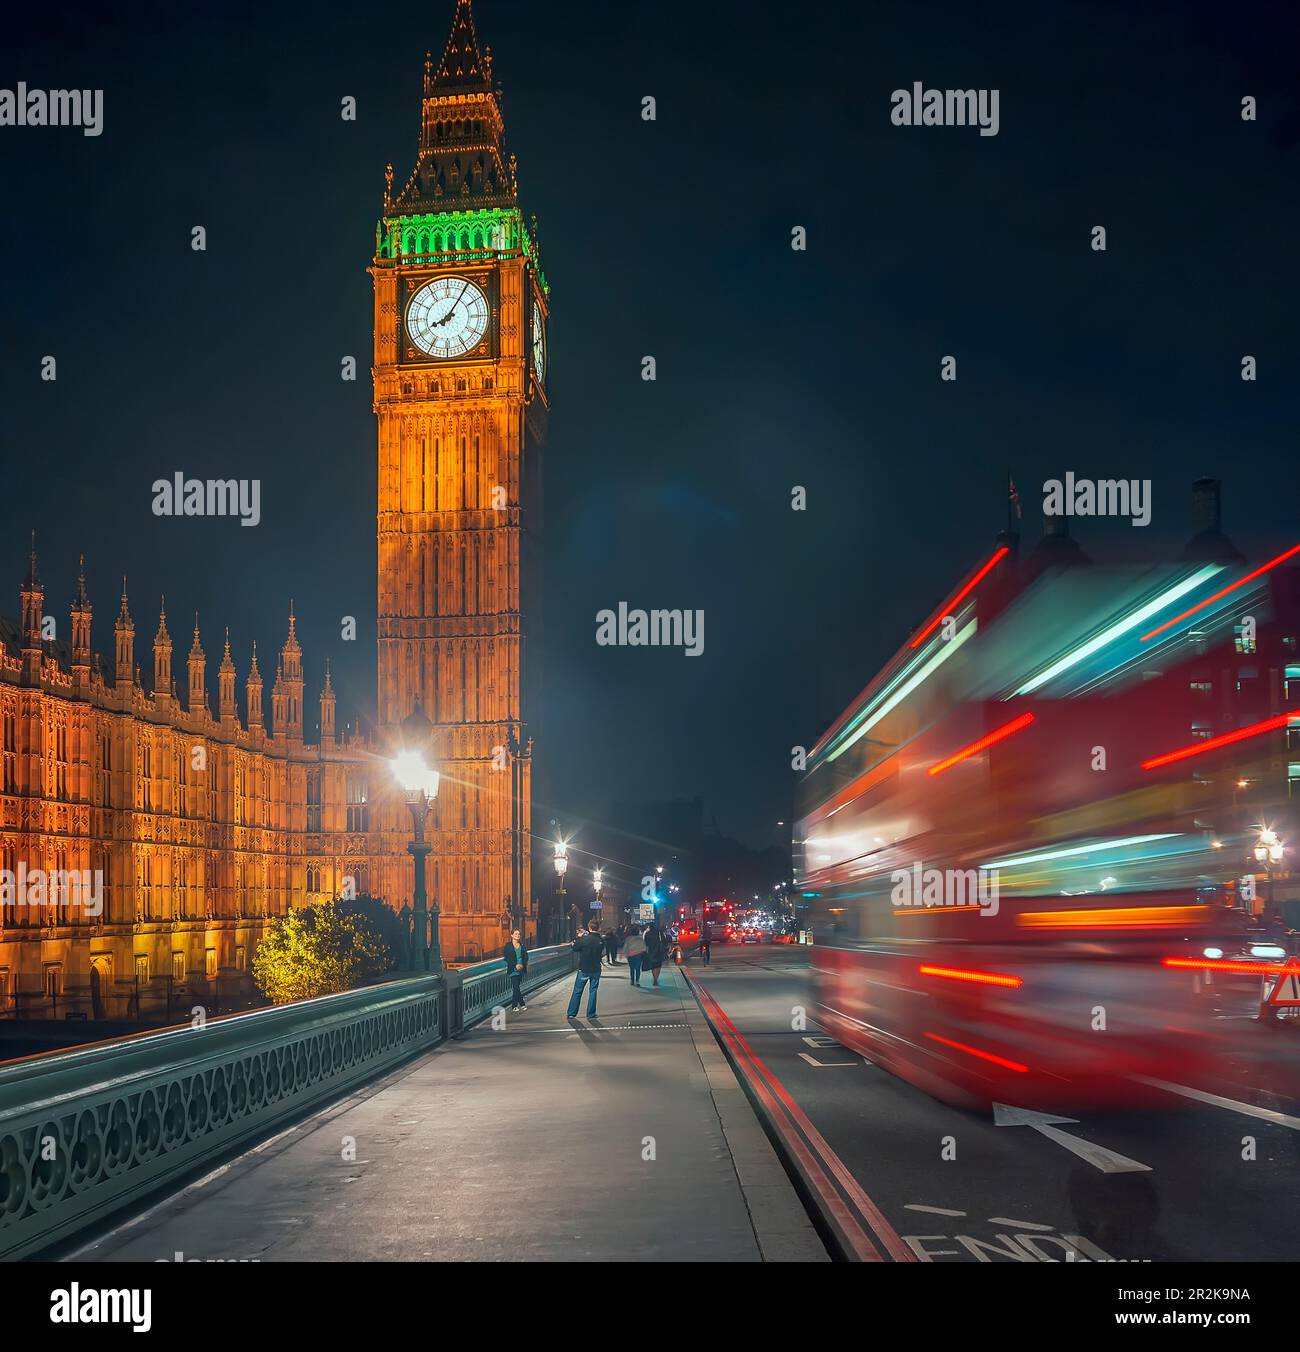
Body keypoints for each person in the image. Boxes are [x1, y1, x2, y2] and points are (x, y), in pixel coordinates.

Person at [567, 917, 605, 1018]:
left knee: (577, 991)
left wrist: (579, 937)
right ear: (598, 928)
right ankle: (591, 1013)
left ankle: (572, 1013)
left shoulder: (584, 939)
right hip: (596, 969)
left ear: (589, 928)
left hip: (583, 969)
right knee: (593, 991)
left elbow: (574, 947)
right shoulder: (601, 940)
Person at [502, 928, 528, 1010]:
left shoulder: (522, 945)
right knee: (516, 987)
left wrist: (522, 965)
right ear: (512, 935)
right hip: (513, 969)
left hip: (521, 969)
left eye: (519, 934)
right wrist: (515, 965)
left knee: (517, 988)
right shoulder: (508, 946)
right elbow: (506, 958)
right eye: (516, 934)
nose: (518, 935)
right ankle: (518, 1004)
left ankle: (518, 1005)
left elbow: (526, 956)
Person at [642, 919, 666, 987]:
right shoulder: (659, 931)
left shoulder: (646, 933)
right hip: (658, 950)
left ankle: (654, 978)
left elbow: (645, 943)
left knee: (653, 966)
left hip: (650, 951)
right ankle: (656, 978)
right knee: (658, 966)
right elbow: (664, 940)